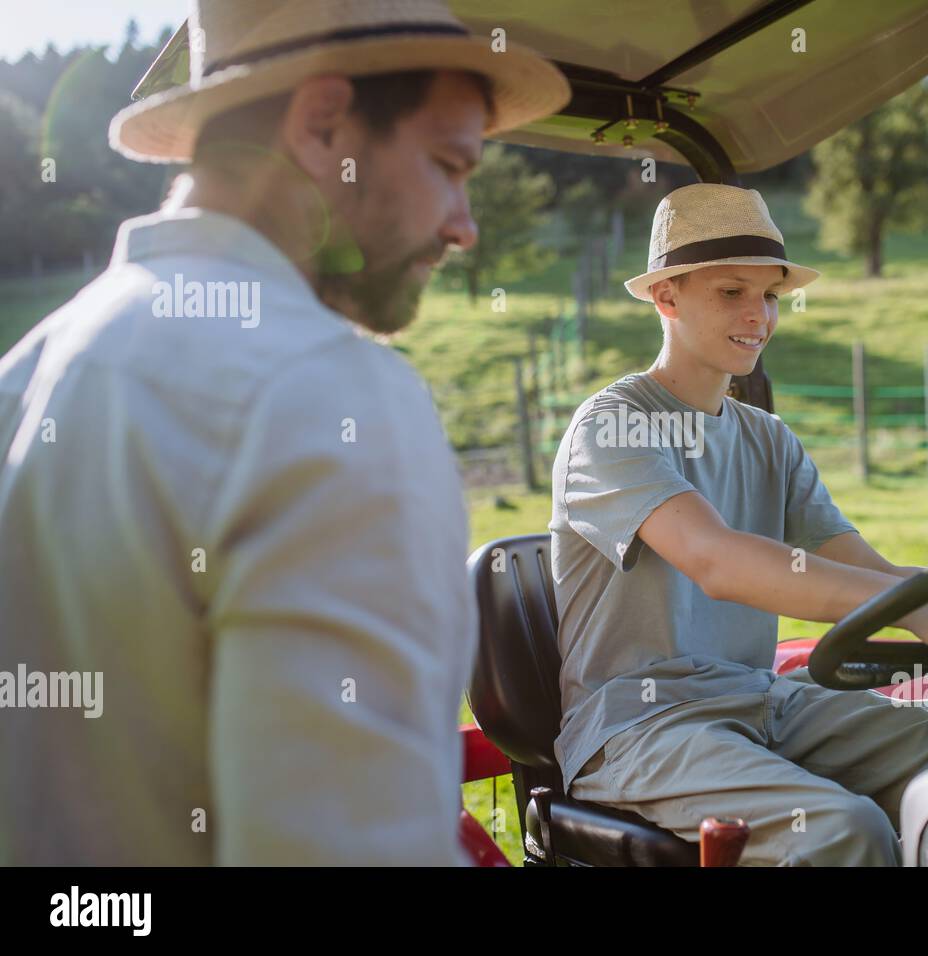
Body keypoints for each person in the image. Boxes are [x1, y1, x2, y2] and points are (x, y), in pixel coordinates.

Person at [0, 0, 568, 865]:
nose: (464, 224)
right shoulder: (332, 393)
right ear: (323, 122)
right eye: (451, 165)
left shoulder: (26, 375)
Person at [549, 182, 928, 865]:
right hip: (641, 727)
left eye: (769, 295)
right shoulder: (614, 425)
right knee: (842, 828)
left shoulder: (768, 439)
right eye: (731, 292)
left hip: (763, 700)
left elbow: (878, 575)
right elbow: (718, 561)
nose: (758, 316)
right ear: (667, 297)